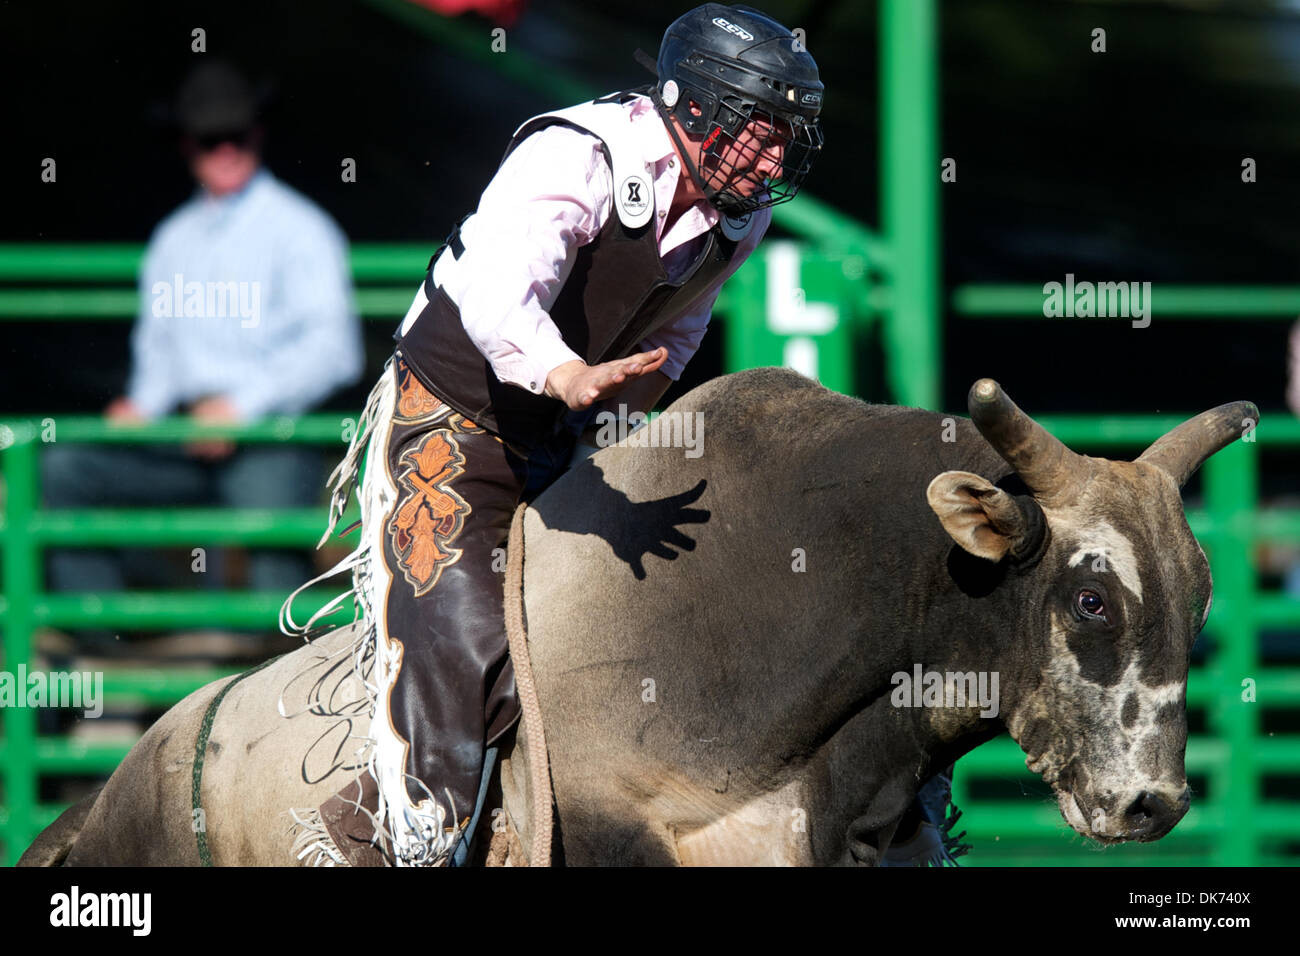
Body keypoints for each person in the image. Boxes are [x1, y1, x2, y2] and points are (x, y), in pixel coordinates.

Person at [288, 3, 824, 867]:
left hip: (565, 441)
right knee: (467, 648)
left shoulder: (738, 217)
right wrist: (571, 377)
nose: (772, 159)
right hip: (452, 426)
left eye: (783, 139)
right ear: (692, 107)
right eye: (759, 132)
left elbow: (674, 337)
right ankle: (384, 840)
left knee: (661, 620)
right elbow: (500, 293)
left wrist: (625, 421)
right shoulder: (579, 154)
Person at [43, 61, 363, 615]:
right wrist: (140, 407)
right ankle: (107, 646)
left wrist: (240, 407)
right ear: (187, 143)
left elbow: (335, 350)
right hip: (183, 435)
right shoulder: (172, 240)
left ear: (256, 133)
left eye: (234, 134)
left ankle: (274, 665)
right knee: (65, 469)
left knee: (270, 536)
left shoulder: (301, 228)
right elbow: (160, 351)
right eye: (211, 138)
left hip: (272, 435)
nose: (225, 148)